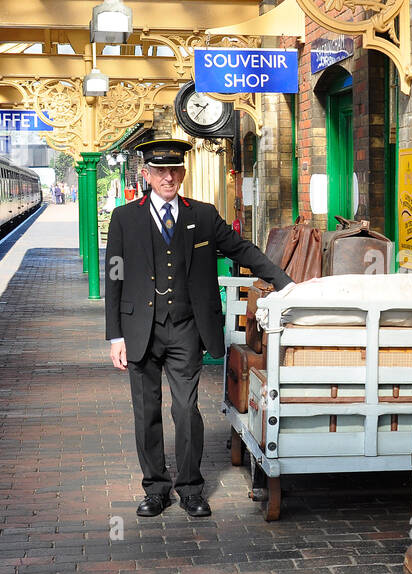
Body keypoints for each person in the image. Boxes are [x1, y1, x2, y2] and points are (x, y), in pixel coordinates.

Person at [105, 139, 292, 518]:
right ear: (147, 175)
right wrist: (115, 336)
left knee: (187, 410)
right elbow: (115, 275)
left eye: (174, 171)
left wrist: (285, 283)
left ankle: (190, 488)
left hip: (186, 328)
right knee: (146, 411)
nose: (167, 177)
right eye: (160, 171)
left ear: (183, 174)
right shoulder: (125, 218)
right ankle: (155, 489)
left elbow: (241, 249)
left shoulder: (203, 216)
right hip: (140, 328)